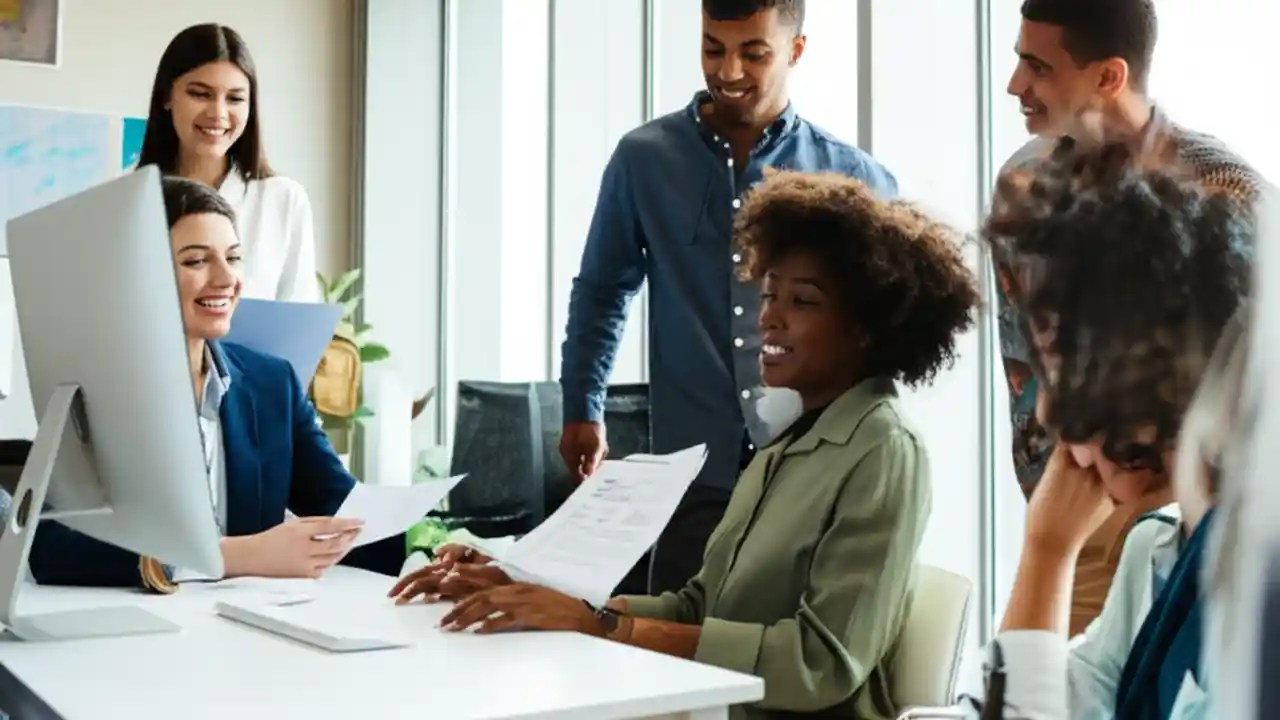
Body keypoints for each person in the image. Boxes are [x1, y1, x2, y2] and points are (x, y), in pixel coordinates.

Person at [397, 170, 980, 719]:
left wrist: (602, 625)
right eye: (769, 296)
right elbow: (699, 609)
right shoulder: (785, 445)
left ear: (868, 326)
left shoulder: (883, 448)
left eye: (802, 302)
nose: (769, 319)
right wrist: (534, 590)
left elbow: (817, 665)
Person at [559, 0, 898, 595]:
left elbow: (887, 332)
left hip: (810, 474)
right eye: (713, 48)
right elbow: (601, 292)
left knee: (784, 660)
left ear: (795, 51)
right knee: (673, 654)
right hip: (690, 476)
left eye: (754, 53)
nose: (729, 71)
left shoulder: (854, 178)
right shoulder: (643, 159)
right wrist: (582, 406)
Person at [998, 0, 1266, 633]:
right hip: (1080, 503)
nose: (1015, 85)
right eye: (1016, 59)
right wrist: (1055, 516)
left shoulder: (1229, 193)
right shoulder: (1023, 183)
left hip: (1194, 509)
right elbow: (1025, 372)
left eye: (1037, 65)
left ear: (1109, 76)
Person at [970, 140, 1254, 718]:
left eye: (1064, 371)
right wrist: (1047, 551)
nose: (1047, 415)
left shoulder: (1257, 582)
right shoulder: (1159, 548)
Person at [21, 177, 404, 591]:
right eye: (196, 261)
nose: (226, 279)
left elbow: (351, 520)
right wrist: (238, 556)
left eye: (234, 257)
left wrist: (455, 554)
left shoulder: (271, 383)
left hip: (245, 631)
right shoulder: (93, 387)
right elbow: (51, 547)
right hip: (131, 632)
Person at [136, 23, 319, 302]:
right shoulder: (132, 198)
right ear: (166, 97)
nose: (218, 113)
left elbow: (298, 313)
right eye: (200, 94)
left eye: (235, 98)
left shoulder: (284, 200)